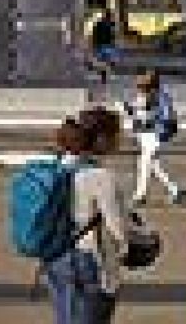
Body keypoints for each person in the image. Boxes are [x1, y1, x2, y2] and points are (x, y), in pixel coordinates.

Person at [43, 107, 148, 324]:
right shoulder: (101, 177)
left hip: (57, 258)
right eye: (116, 134)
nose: (120, 139)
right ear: (101, 139)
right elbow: (118, 231)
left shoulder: (60, 167)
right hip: (89, 264)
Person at [125, 70, 185, 208]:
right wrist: (130, 110)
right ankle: (175, 190)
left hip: (153, 135)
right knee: (153, 165)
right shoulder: (152, 95)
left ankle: (140, 196)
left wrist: (133, 113)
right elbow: (139, 113)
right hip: (148, 135)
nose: (138, 86)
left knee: (145, 164)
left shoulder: (157, 96)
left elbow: (155, 116)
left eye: (141, 83)